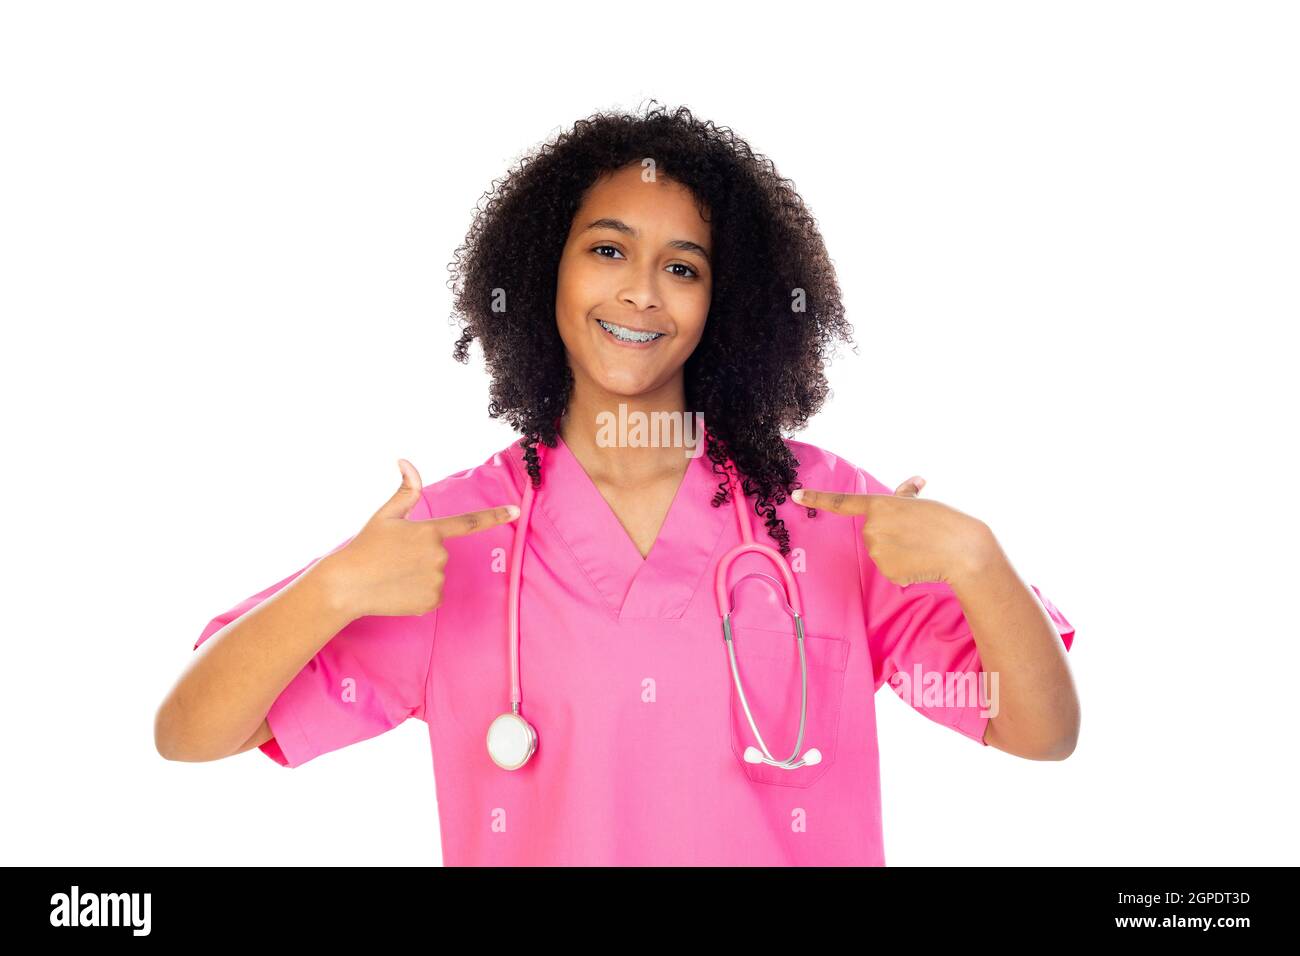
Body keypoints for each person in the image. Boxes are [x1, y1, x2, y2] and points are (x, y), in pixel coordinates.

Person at [155, 102, 1078, 866]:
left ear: (728, 304)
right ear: (542, 270)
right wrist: (340, 586)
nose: (641, 291)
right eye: (606, 250)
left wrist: (975, 559)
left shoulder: (828, 513)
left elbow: (1041, 730)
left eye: (683, 267)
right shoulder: (452, 538)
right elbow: (193, 732)